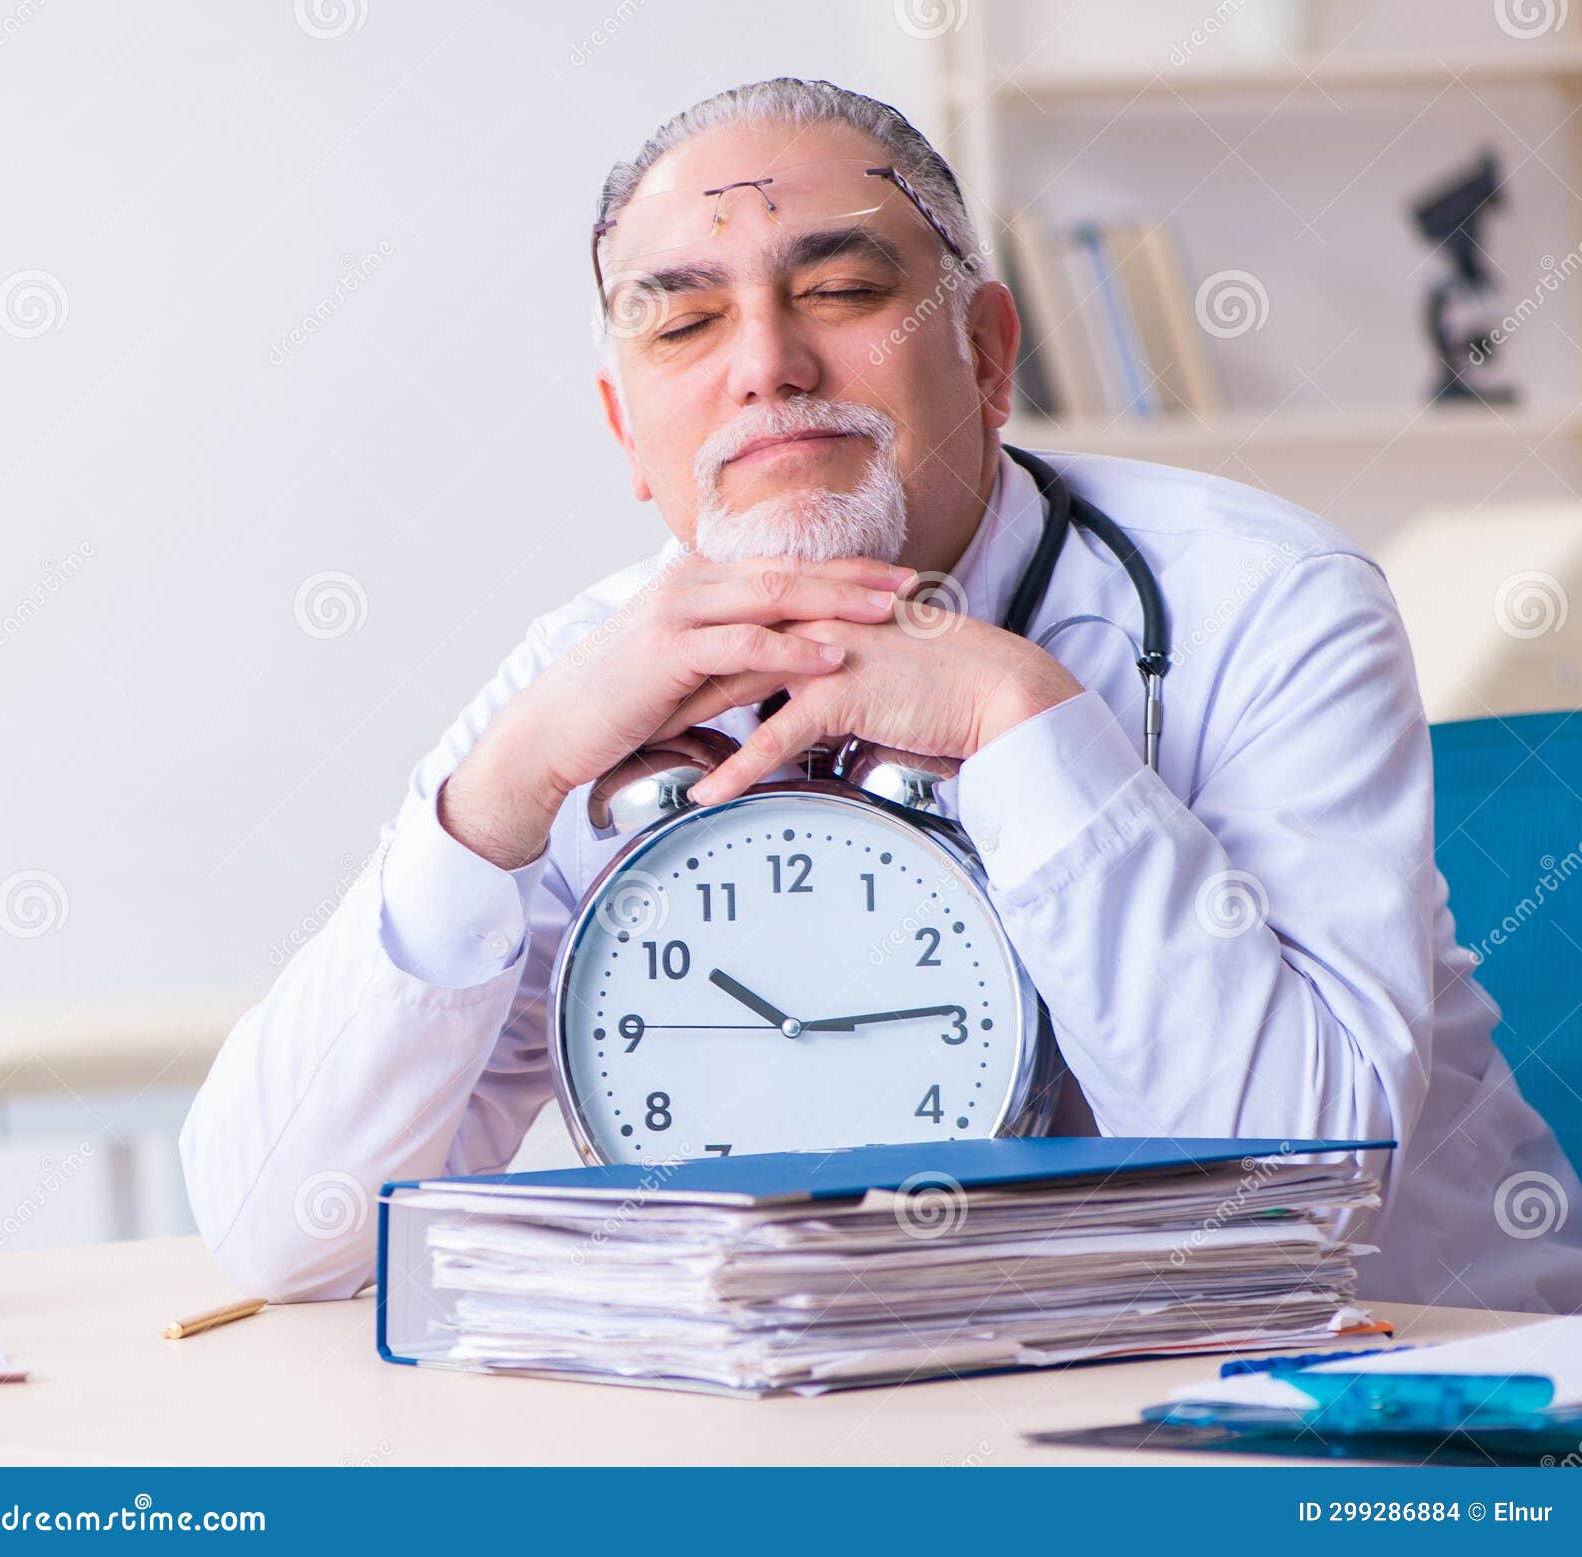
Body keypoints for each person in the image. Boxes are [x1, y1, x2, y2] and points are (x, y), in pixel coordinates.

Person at [182, 78, 1582, 1312]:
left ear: (987, 351)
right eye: (684, 324)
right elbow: (278, 1231)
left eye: (842, 293)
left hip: (1388, 1409)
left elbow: (1296, 1195)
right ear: (626, 431)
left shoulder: (1267, 601)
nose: (765, 368)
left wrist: (1024, 728)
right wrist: (495, 797)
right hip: (872, 1409)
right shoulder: (586, 677)